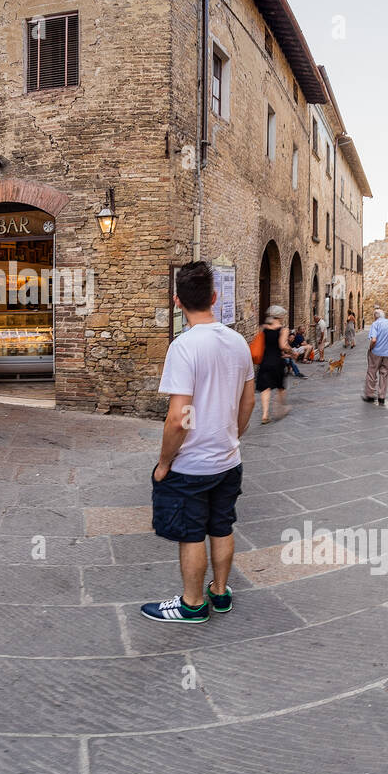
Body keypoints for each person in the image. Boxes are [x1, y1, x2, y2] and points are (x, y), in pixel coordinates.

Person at [143, 261, 255, 625]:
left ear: (178, 301)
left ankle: (192, 604)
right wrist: (232, 434)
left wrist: (164, 462)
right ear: (214, 297)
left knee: (192, 533)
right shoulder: (238, 342)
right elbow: (248, 400)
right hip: (228, 460)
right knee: (222, 526)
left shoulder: (184, 346)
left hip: (191, 465)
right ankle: (219, 593)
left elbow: (179, 417)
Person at [253, 305, 291, 424]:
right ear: (280, 316)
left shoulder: (263, 328)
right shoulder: (283, 330)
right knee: (280, 387)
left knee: (265, 388)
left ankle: (265, 414)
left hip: (265, 361)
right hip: (277, 361)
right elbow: (282, 346)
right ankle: (280, 408)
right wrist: (291, 351)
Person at [361, 306, 388, 405]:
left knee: (371, 373)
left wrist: (371, 348)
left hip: (376, 353)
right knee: (384, 374)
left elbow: (373, 339)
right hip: (387, 354)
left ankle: (370, 395)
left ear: (375, 317)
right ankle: (382, 397)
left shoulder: (375, 324)